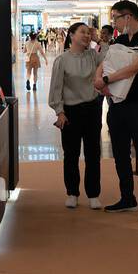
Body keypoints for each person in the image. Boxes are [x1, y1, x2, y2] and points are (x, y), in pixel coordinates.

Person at [95, 0, 138, 221]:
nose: (113, 22)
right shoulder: (121, 40)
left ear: (127, 17)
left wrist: (108, 78)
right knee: (121, 155)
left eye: (115, 17)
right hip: (117, 105)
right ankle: (128, 198)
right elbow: (105, 61)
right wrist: (99, 79)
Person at [49, 22, 105, 210]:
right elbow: (56, 88)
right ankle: (72, 192)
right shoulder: (62, 60)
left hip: (92, 109)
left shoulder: (93, 55)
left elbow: (110, 58)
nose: (87, 35)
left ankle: (94, 194)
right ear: (71, 35)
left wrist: (100, 41)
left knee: (93, 153)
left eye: (89, 33)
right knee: (71, 154)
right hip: (70, 112)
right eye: (83, 32)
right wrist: (60, 111)